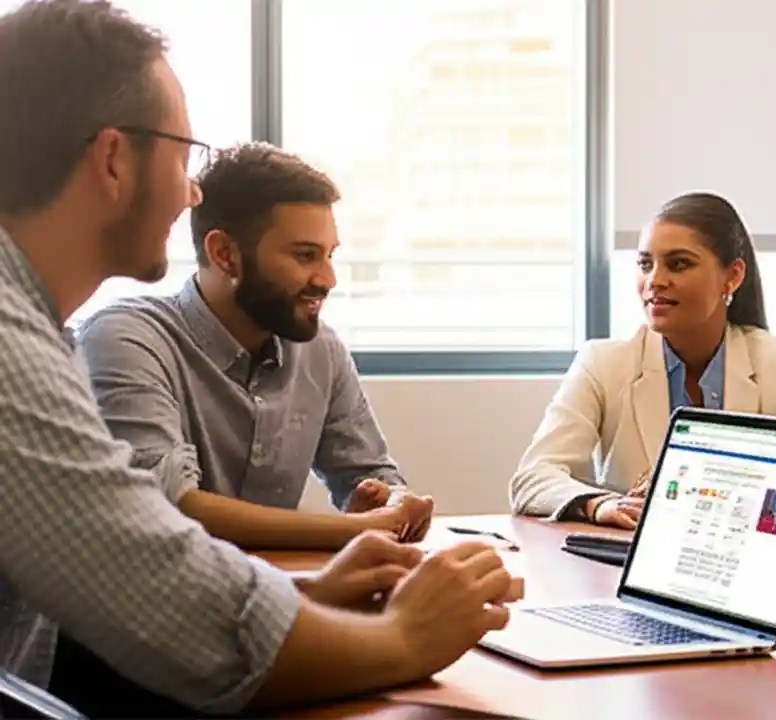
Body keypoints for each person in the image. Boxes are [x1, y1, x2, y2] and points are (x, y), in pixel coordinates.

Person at [0, 1, 519, 715]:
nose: (191, 192)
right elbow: (145, 573)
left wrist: (310, 591)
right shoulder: (16, 348)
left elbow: (128, 576)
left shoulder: (34, 328)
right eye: (183, 153)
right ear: (113, 160)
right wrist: (407, 633)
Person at [77, 142, 432, 551]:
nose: (328, 279)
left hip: (280, 585)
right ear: (225, 255)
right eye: (305, 256)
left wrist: (392, 501)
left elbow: (371, 474)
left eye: (330, 255)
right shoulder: (125, 339)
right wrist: (355, 529)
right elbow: (170, 505)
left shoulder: (321, 350)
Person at [510, 192, 776, 527]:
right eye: (645, 264)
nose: (655, 280)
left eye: (679, 264)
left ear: (732, 276)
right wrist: (600, 504)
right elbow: (532, 477)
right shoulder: (603, 363)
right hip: (627, 553)